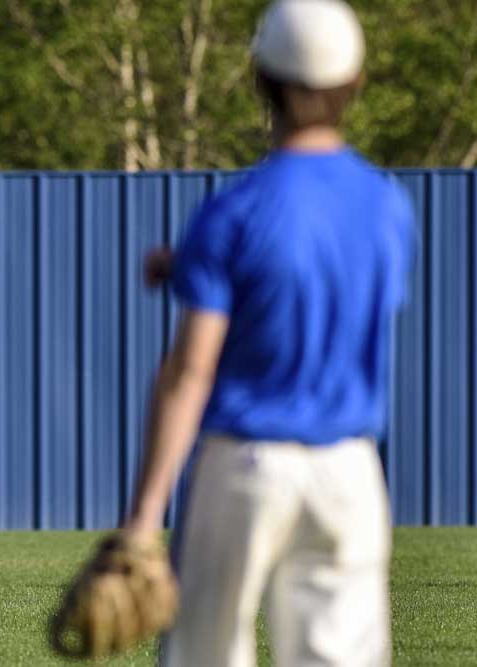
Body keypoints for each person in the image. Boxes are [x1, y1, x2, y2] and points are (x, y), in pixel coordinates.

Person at [123, 1, 414, 665]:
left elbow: (191, 370)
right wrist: (189, 262)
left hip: (245, 467)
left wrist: (143, 518)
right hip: (348, 470)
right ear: (355, 84)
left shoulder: (233, 214)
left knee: (206, 653)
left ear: (262, 82)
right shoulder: (388, 207)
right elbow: (312, 269)